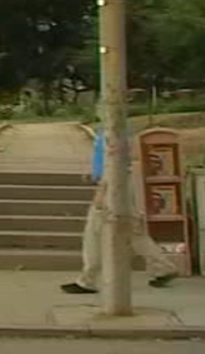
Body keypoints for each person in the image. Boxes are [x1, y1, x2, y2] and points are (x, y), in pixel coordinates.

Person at [61, 124, 178, 294]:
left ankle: (88, 279)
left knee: (94, 232)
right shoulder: (117, 126)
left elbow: (111, 160)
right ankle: (163, 267)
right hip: (120, 181)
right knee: (133, 231)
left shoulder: (112, 127)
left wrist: (100, 193)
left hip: (113, 183)